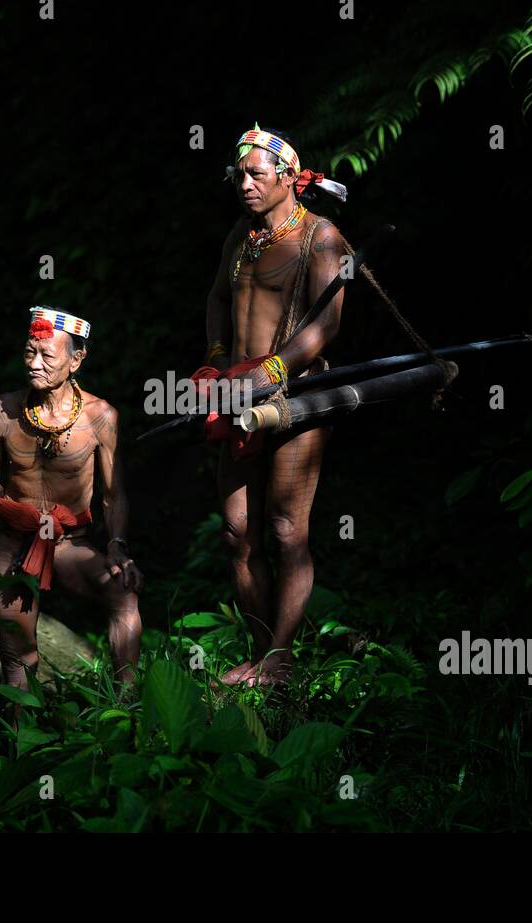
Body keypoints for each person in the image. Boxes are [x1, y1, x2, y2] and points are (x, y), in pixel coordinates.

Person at [195, 124, 349, 687]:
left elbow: (328, 320)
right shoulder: (241, 235)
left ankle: (280, 659)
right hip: (234, 394)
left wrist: (275, 369)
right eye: (240, 174)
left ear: (290, 177)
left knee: (287, 529)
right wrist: (217, 358)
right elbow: (216, 298)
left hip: (294, 397)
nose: (245, 184)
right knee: (237, 532)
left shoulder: (320, 236)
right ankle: (262, 652)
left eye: (256, 174)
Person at [0, 306, 143, 691]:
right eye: (29, 353)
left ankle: (128, 706)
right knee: (17, 654)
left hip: (67, 543)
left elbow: (113, 495)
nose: (34, 364)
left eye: (47, 356)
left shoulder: (101, 417)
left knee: (121, 589)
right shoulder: (3, 411)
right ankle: (19, 735)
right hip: (13, 543)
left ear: (76, 360)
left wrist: (117, 544)